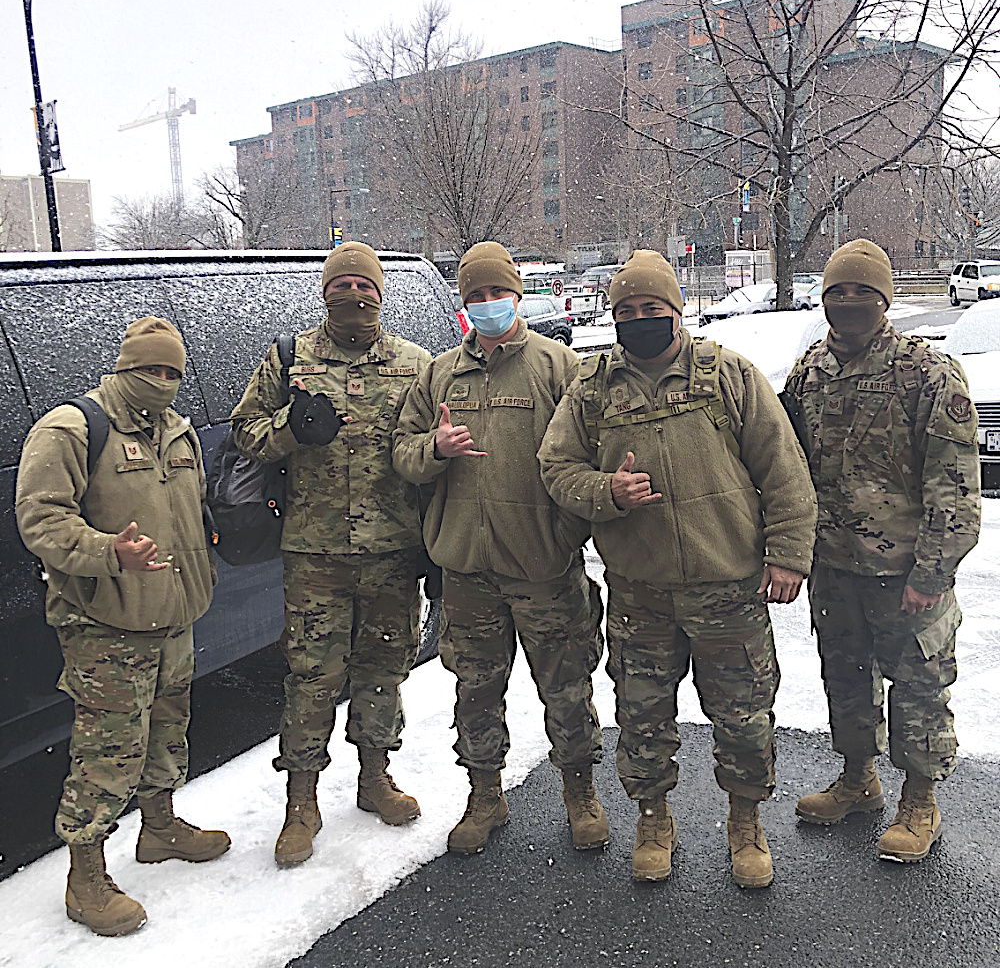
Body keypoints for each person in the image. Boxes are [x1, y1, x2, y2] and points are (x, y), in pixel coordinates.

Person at [538, 249, 817, 887]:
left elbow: (783, 469)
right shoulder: (591, 388)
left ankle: (745, 824)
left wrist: (788, 555)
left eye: (652, 309)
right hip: (641, 590)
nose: (639, 319)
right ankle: (652, 818)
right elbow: (556, 469)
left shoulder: (727, 375)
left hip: (729, 585)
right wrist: (607, 491)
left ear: (676, 310)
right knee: (642, 715)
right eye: (626, 311)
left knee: (743, 714)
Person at [16, 317, 229, 938]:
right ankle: (85, 874)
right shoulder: (72, 429)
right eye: (150, 370)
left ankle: (159, 828)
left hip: (175, 614)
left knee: (168, 727)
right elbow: (40, 520)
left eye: (172, 373)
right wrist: (110, 551)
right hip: (107, 623)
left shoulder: (178, 431)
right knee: (108, 749)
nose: (162, 383)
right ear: (123, 367)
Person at [392, 241, 606, 855]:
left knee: (567, 687)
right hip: (467, 570)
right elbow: (401, 457)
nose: (487, 305)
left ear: (516, 295)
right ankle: (485, 794)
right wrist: (436, 450)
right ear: (463, 305)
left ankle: (579, 794)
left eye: (496, 293)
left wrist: (567, 535)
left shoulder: (557, 367)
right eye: (475, 296)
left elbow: (588, 458)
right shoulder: (439, 374)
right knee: (475, 690)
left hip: (544, 568)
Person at [230, 242, 432, 868]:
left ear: (381, 294)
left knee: (384, 669)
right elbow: (243, 433)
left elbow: (433, 448)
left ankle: (374, 778)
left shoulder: (414, 363)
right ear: (324, 292)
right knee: (312, 677)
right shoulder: (289, 359)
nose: (353, 297)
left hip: (393, 551)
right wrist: (292, 429)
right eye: (341, 286)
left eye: (364, 287)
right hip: (314, 552)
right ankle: (301, 801)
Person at [780, 238, 980, 862]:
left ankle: (919, 799)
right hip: (834, 566)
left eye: (864, 291)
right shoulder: (808, 372)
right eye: (838, 291)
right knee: (845, 677)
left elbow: (954, 478)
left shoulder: (927, 373)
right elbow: (785, 466)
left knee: (918, 685)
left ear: (886, 299)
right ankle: (858, 780)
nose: (849, 301)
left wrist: (934, 569)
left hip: (905, 572)